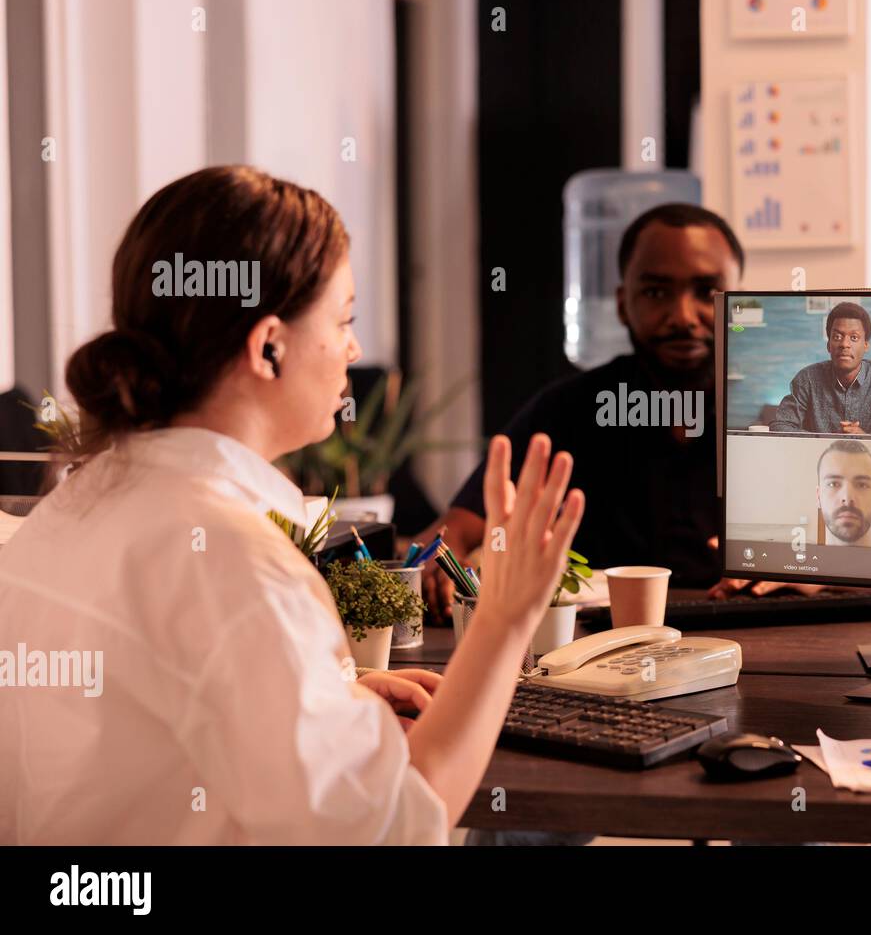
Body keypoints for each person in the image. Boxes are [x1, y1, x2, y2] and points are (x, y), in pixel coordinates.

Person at [0, 166, 584, 844]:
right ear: (269, 346)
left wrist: (321, 705)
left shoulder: (67, 513)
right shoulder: (233, 558)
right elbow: (393, 826)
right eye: (344, 319)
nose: (354, 349)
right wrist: (505, 622)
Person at [418, 203, 746, 618]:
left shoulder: (787, 409)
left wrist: (810, 571)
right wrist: (438, 561)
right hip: (593, 648)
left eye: (706, 292)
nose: (682, 317)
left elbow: (841, 549)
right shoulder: (566, 408)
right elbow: (454, 530)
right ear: (623, 304)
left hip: (761, 635)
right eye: (656, 292)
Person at [768, 302, 871, 435]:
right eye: (837, 337)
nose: (845, 344)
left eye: (854, 337)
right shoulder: (807, 379)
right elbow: (780, 426)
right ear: (828, 345)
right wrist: (823, 439)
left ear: (866, 345)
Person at [816, 440, 871, 548]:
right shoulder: (798, 562)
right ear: (818, 496)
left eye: (862, 485)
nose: (847, 498)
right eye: (833, 484)